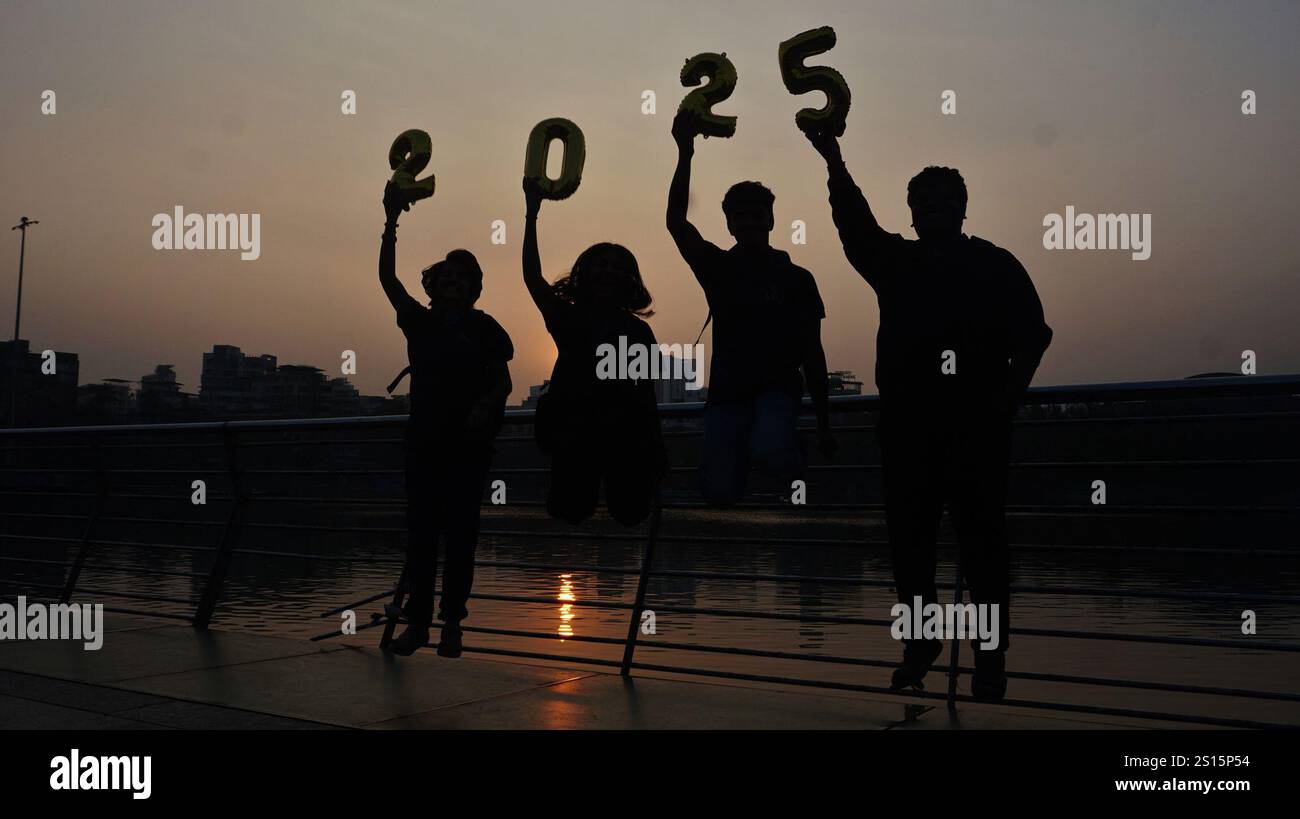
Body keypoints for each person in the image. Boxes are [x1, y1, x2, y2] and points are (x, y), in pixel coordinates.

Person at [805, 130, 1053, 701]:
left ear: (963, 208)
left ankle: (988, 656)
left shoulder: (994, 264)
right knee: (910, 547)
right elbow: (854, 225)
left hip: (976, 432)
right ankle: (922, 643)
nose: (933, 207)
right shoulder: (895, 261)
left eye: (944, 199)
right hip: (908, 432)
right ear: (912, 212)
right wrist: (834, 159)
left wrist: (1005, 404)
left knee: (983, 546)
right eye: (923, 200)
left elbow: (1035, 337)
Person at [667, 110, 836, 507]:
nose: (748, 223)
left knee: (771, 452)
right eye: (739, 216)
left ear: (771, 219)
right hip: (727, 396)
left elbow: (814, 353)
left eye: (755, 215)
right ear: (728, 225)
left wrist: (825, 423)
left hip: (777, 392)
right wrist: (684, 151)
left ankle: (785, 451)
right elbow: (676, 221)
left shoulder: (798, 279)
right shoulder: (718, 268)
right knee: (719, 494)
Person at [378, 181, 514, 658]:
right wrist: (391, 223)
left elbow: (503, 382)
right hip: (425, 443)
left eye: (463, 277)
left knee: (461, 535)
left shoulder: (486, 328)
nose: (454, 282)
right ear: (433, 286)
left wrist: (485, 406)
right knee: (421, 535)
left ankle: (452, 622)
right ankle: (417, 624)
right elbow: (389, 282)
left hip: (469, 446)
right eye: (446, 277)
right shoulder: (419, 321)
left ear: (475, 288)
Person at [522, 178, 666, 527]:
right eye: (601, 264)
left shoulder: (638, 330)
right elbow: (532, 277)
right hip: (575, 432)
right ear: (584, 272)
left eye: (617, 267)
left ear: (629, 279)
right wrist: (531, 213)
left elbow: (645, 393)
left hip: (624, 435)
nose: (609, 271)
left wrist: (656, 448)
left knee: (630, 512)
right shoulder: (568, 316)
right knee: (570, 509)